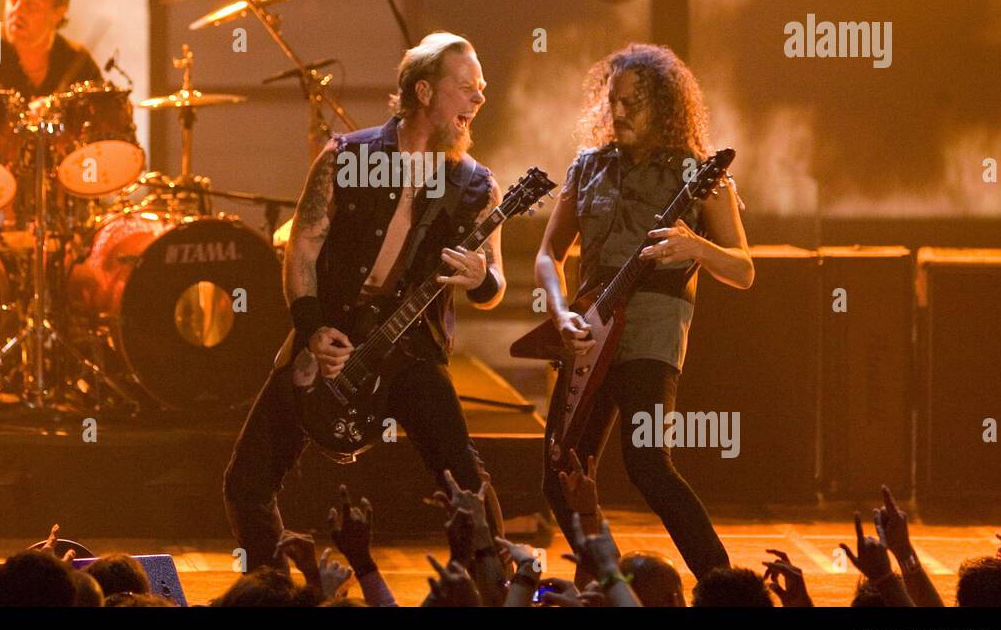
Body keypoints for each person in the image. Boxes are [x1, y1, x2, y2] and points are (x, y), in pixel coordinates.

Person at [223, 31, 507, 573]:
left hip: (413, 350)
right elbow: (303, 247)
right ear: (424, 91)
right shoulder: (347, 158)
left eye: (482, 89)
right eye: (466, 87)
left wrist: (479, 279)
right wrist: (311, 329)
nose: (479, 99)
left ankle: (487, 587)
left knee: (465, 482)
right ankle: (274, 590)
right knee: (247, 481)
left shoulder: (475, 185)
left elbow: (493, 284)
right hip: (330, 339)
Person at [533, 42, 753, 582]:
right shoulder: (586, 169)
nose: (620, 113)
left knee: (648, 463)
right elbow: (547, 254)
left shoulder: (702, 175)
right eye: (614, 102)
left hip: (651, 338)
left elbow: (744, 269)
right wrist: (561, 313)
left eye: (633, 101)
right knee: (560, 472)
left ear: (665, 105)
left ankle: (723, 584)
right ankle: (605, 576)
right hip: (587, 334)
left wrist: (694, 247)